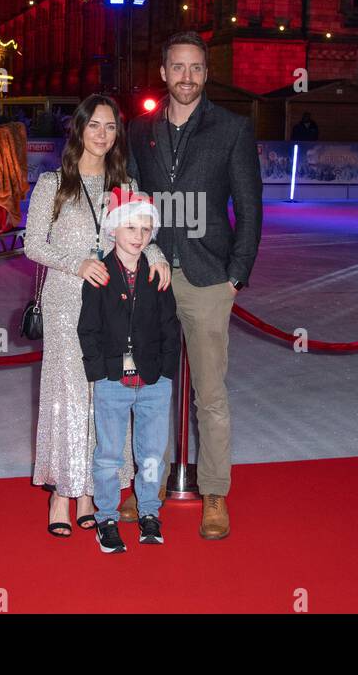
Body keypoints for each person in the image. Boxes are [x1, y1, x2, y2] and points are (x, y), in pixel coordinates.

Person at [123, 31, 263, 540]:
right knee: (147, 391)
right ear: (163, 73)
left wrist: (236, 275)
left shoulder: (231, 129)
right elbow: (134, 199)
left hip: (208, 278)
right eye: (178, 67)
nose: (186, 77)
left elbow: (249, 208)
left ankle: (215, 494)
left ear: (206, 74)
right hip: (153, 274)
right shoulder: (140, 130)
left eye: (196, 69)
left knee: (210, 395)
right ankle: (148, 489)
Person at [23, 94, 171, 537]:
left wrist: (158, 254)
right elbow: (33, 244)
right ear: (79, 129)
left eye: (111, 127)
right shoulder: (54, 183)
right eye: (95, 126)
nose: (103, 135)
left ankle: (91, 490)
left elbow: (143, 231)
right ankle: (61, 494)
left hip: (112, 305)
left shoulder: (123, 184)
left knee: (102, 399)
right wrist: (77, 264)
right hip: (67, 301)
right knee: (69, 399)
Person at [78, 188, 181, 553]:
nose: (138, 237)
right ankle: (106, 516)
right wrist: (97, 373)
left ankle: (149, 511)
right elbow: (87, 328)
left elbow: (171, 325)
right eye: (131, 228)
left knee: (151, 453)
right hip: (112, 380)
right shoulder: (101, 274)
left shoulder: (156, 274)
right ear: (114, 230)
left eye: (145, 229)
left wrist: (167, 371)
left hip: (154, 380)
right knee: (108, 453)